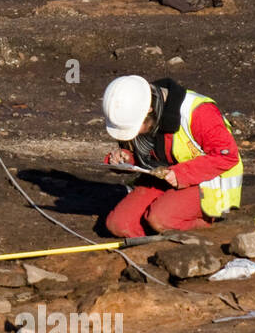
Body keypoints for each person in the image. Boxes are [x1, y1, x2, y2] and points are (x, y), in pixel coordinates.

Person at [101, 74, 242, 238]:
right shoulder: (139, 107)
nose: (131, 135)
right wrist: (125, 158)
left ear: (149, 110)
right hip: (165, 177)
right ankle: (159, 240)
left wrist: (182, 173)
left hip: (208, 180)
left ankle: (208, 231)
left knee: (160, 219)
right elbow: (147, 154)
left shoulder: (198, 112)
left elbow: (227, 156)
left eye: (133, 128)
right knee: (120, 225)